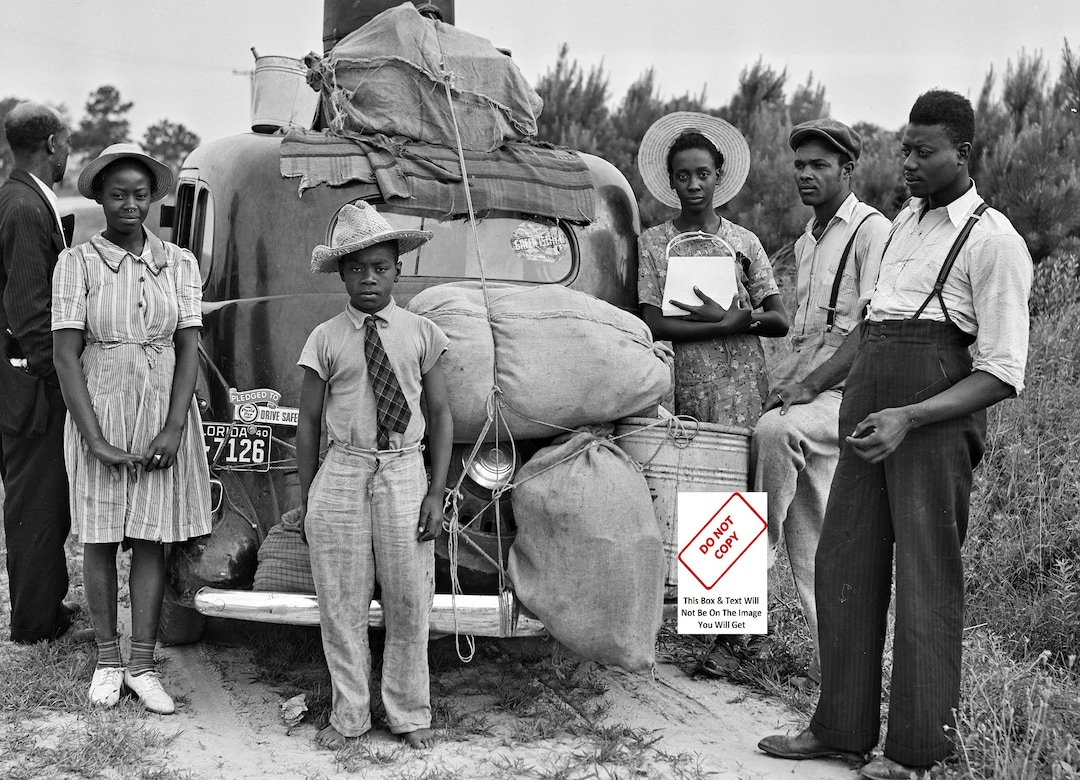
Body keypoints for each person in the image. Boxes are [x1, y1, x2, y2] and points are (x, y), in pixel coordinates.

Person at [758, 90, 1032, 779]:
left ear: (962, 153)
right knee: (842, 565)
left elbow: (1001, 372)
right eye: (903, 147)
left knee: (925, 579)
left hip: (931, 429)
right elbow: (873, 328)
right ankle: (841, 731)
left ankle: (916, 751)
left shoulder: (993, 242)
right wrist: (817, 384)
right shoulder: (905, 222)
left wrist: (911, 416)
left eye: (922, 151)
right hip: (868, 418)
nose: (905, 162)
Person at [52, 143, 213, 714]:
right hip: (100, 408)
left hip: (161, 417)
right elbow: (67, 355)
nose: (129, 205)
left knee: (151, 537)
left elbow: (189, 343)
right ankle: (107, 659)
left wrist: (173, 426)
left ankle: (143, 664)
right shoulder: (77, 264)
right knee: (100, 537)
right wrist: (94, 437)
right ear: (97, 196)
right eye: (117, 194)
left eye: (140, 195)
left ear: (154, 199)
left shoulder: (180, 263)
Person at [635, 111, 789, 676]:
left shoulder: (743, 242)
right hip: (684, 380)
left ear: (719, 176)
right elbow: (652, 320)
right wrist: (722, 325)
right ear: (670, 182)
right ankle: (703, 630)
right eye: (683, 176)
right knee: (692, 488)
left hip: (742, 381)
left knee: (732, 498)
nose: (693, 185)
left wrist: (738, 319)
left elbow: (777, 318)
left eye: (703, 174)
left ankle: (734, 638)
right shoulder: (654, 244)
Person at [296, 200, 452, 751]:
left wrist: (436, 491)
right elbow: (308, 422)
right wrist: (309, 495)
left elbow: (441, 415)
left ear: (398, 270)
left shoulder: (422, 333)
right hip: (342, 471)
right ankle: (351, 716)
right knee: (342, 602)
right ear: (340, 273)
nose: (369, 279)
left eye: (380, 267)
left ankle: (410, 713)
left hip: (405, 473)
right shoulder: (326, 338)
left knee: (411, 598)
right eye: (357, 268)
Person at [752, 119, 889, 688]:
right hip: (810, 381)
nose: (806, 174)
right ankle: (837, 664)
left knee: (772, 435)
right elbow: (800, 330)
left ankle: (749, 567)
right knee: (817, 531)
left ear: (847, 171)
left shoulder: (871, 231)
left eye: (820, 165)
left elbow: (871, 328)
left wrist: (808, 387)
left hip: (851, 391)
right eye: (799, 165)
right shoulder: (809, 239)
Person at [0, 102, 89, 644]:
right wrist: (63, 383)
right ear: (52, 143)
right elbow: (32, 315)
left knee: (41, 501)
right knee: (36, 505)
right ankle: (36, 623)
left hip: (24, 384)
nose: (68, 154)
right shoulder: (26, 207)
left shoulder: (20, 197)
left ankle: (44, 609)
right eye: (68, 144)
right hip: (31, 391)